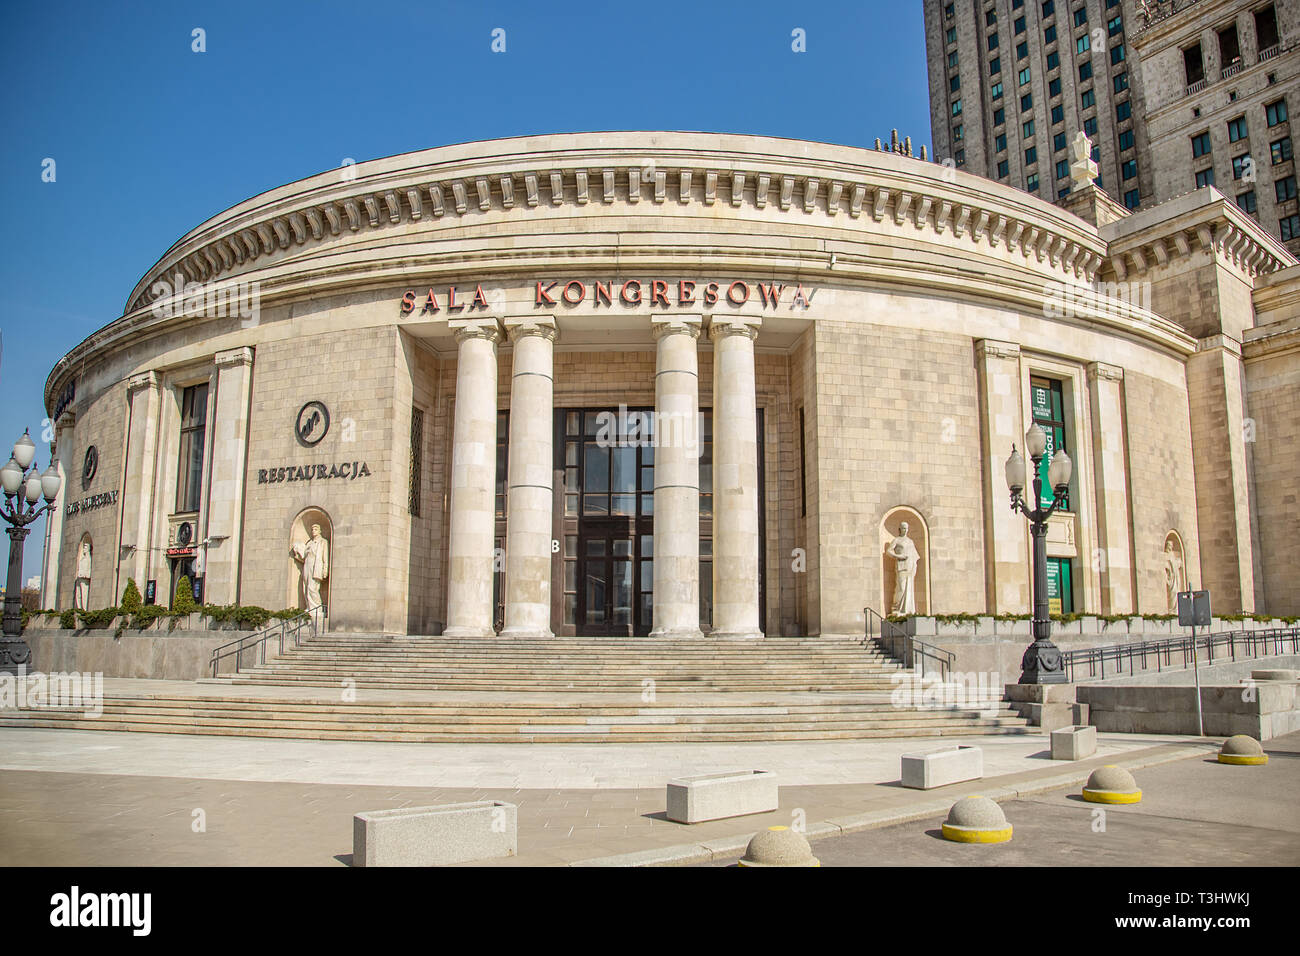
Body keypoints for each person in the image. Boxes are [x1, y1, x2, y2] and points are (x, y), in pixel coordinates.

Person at [291, 523, 330, 611]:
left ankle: (317, 608)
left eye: (315, 529)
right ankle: (309, 607)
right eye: (312, 530)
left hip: (316, 566)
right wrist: (297, 552)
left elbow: (325, 557)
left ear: (319, 531)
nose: (313, 531)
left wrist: (325, 570)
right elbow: (304, 557)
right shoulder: (309, 543)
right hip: (307, 565)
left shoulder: (323, 542)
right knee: (306, 586)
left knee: (312, 587)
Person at [888, 522, 920, 616]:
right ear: (900, 529)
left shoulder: (910, 541)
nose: (905, 530)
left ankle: (907, 610)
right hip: (901, 565)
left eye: (906, 528)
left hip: (910, 566)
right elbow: (889, 551)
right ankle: (896, 608)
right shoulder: (897, 540)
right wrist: (898, 556)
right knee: (901, 587)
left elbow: (915, 556)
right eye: (903, 528)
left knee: (909, 588)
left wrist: (914, 566)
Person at [73, 540, 92, 610]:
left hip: (84, 578)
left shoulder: (89, 558)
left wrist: (86, 575)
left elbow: (89, 568)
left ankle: (84, 608)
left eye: (85, 547)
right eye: (83, 547)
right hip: (79, 577)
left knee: (84, 594)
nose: (84, 549)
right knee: (78, 594)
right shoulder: (83, 558)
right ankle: (79, 608)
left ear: (88, 549)